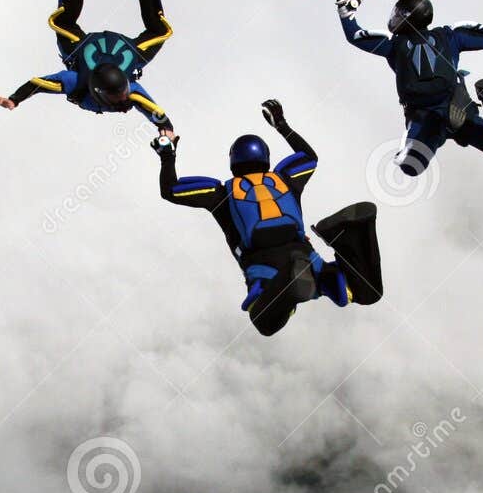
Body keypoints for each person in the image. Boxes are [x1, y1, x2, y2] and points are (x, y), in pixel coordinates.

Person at [156, 100, 382, 336]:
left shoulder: (221, 193)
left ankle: (291, 280)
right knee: (367, 292)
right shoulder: (286, 178)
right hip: (305, 254)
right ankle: (350, 231)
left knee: (264, 323)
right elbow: (308, 157)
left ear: (233, 163)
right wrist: (282, 126)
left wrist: (167, 155)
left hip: (265, 267)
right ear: (266, 158)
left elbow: (170, 189)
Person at [337, 0, 483, 176]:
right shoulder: (450, 36)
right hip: (460, 109)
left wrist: (344, 8)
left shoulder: (393, 45)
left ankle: (446, 120)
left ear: (404, 16)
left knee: (411, 166)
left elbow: (354, 35)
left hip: (424, 117)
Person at [0, 0, 176, 137]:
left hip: (99, 50)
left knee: (63, 22)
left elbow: (36, 84)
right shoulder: (77, 82)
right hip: (112, 51)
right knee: (159, 31)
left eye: (123, 91)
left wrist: (14, 99)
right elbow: (38, 84)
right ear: (98, 92)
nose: (123, 97)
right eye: (119, 95)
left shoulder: (125, 91)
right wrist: (13, 100)